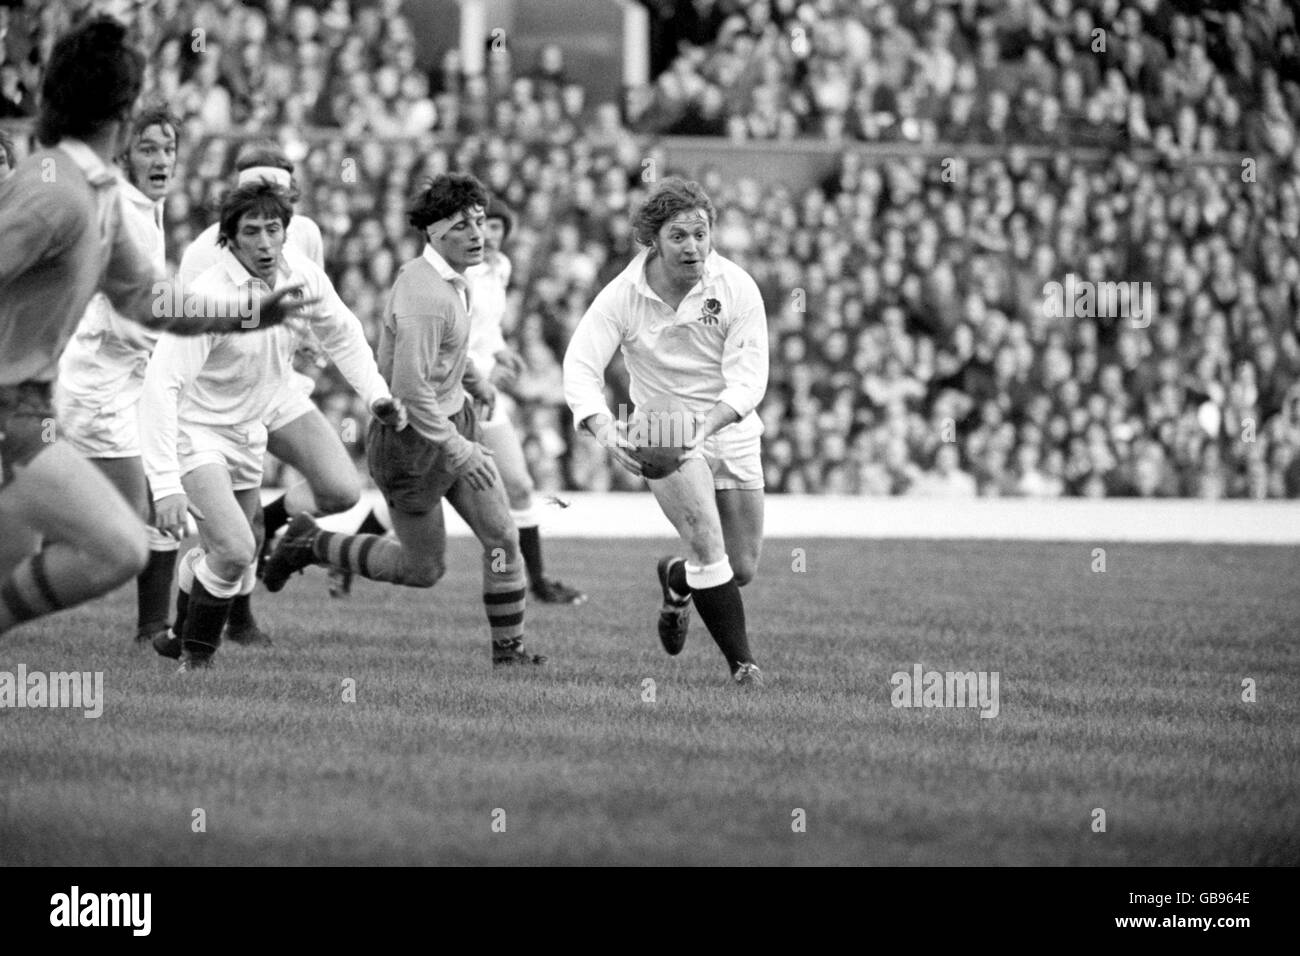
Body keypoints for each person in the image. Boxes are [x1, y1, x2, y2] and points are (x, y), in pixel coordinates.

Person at [0, 16, 307, 641]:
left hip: (31, 407)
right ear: (120, 104)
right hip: (13, 412)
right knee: (116, 546)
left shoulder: (98, 192)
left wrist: (250, 312)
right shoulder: (57, 192)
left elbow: (151, 301)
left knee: (50, 556)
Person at [262, 173, 548, 668]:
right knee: (423, 569)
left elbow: (442, 359)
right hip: (414, 443)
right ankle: (310, 543)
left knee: (502, 535)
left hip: (451, 423)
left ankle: (510, 652)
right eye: (462, 226)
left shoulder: (455, 279)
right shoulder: (425, 296)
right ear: (434, 234)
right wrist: (457, 446)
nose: (477, 234)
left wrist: (474, 379)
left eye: (479, 222)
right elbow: (411, 389)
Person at [141, 181, 405, 671]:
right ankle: (195, 665)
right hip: (196, 432)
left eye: (273, 229)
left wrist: (377, 396)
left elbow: (342, 333)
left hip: (252, 427)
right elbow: (160, 387)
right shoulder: (207, 298)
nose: (264, 242)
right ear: (229, 239)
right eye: (251, 232)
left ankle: (182, 627)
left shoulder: (301, 275)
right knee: (239, 548)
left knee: (233, 549)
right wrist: (164, 485)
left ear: (288, 232)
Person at [563, 177, 769, 686]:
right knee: (706, 541)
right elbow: (580, 366)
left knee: (739, 568)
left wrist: (709, 424)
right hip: (662, 433)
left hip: (727, 426)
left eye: (701, 233)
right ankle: (744, 667)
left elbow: (751, 378)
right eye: (679, 235)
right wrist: (606, 429)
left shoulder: (737, 287)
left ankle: (676, 579)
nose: (693, 246)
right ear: (653, 240)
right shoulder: (621, 296)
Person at [175, 141, 335, 647]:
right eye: (251, 194)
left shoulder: (304, 235)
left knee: (340, 488)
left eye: (278, 196)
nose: (266, 204)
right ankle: (220, 624)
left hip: (277, 383)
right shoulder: (202, 253)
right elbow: (182, 339)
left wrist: (308, 341)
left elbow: (315, 306)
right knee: (234, 542)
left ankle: (267, 524)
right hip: (219, 397)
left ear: (292, 198)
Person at [54, 104, 184, 650]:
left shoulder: (147, 209)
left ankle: (152, 630)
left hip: (126, 381)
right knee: (127, 521)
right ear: (125, 153)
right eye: (148, 148)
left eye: (168, 148)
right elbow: (121, 315)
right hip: (97, 387)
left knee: (157, 500)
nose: (161, 159)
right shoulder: (124, 213)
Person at [465, 200, 586, 604]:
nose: (492, 235)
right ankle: (329, 551)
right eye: (485, 225)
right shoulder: (456, 275)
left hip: (486, 392)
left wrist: (500, 351)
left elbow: (486, 329)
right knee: (419, 495)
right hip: (451, 392)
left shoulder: (500, 268)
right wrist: (481, 373)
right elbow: (448, 341)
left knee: (518, 485)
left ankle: (537, 582)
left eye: (498, 226)